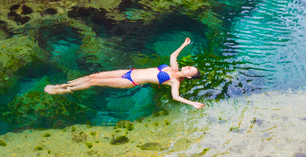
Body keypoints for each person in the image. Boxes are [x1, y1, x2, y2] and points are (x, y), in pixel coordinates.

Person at [44, 37, 205, 108]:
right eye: (190, 66)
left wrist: (193, 103)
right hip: (129, 71)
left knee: (94, 82)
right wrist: (184, 45)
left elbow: (175, 97)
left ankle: (64, 90)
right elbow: (173, 55)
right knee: (94, 76)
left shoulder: (174, 81)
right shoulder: (173, 67)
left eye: (191, 69)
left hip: (129, 82)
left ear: (189, 75)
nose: (188, 67)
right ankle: (66, 84)